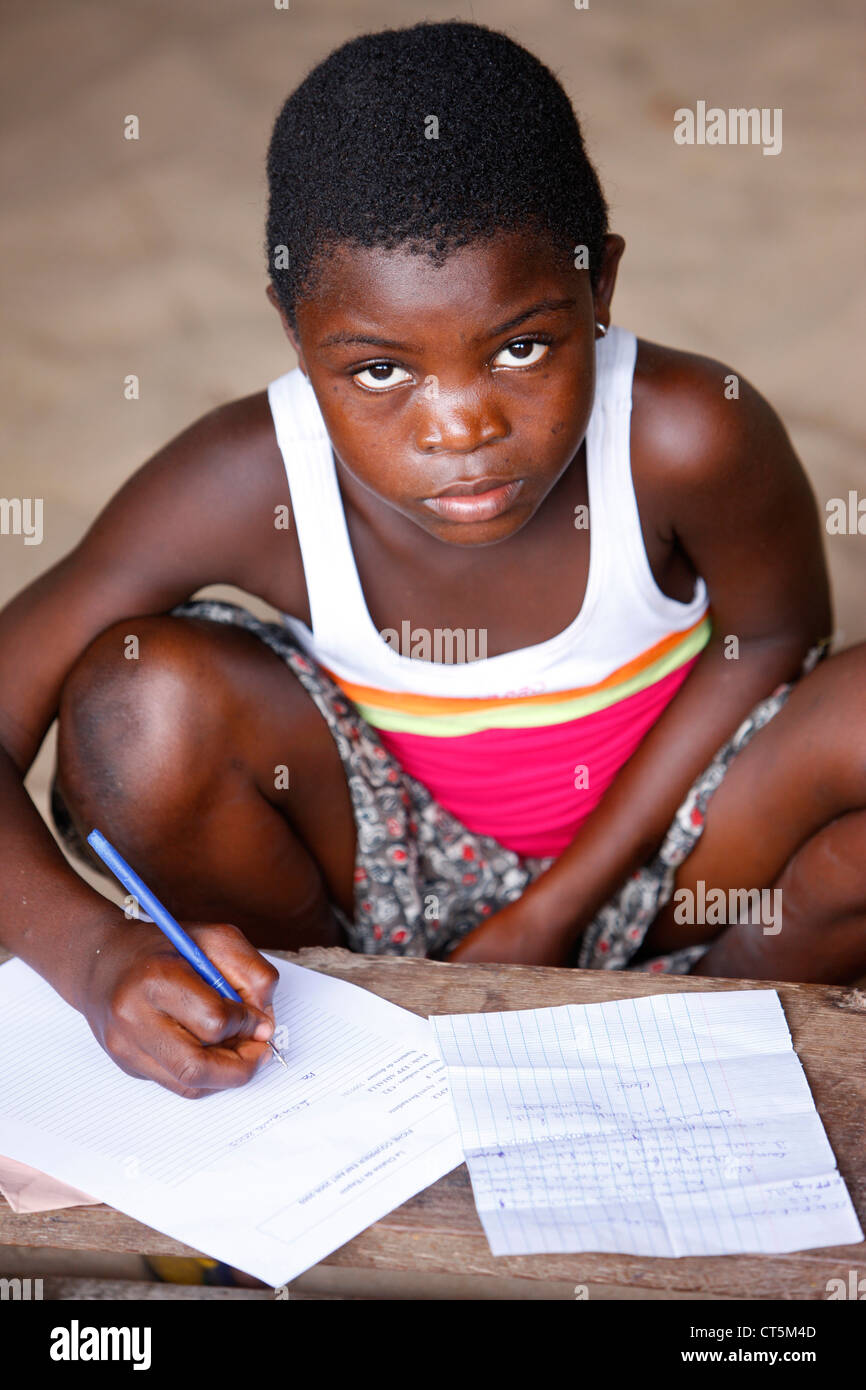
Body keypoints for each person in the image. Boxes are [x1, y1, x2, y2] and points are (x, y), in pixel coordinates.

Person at [1, 22, 863, 1101]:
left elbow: (775, 638)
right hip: (373, 899)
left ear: (599, 286)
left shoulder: (688, 432)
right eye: (376, 370)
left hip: (673, 870)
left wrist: (553, 907)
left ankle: (723, 1020)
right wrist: (87, 955)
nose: (459, 426)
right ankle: (336, 1040)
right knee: (138, 708)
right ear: (291, 328)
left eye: (520, 346)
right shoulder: (243, 480)